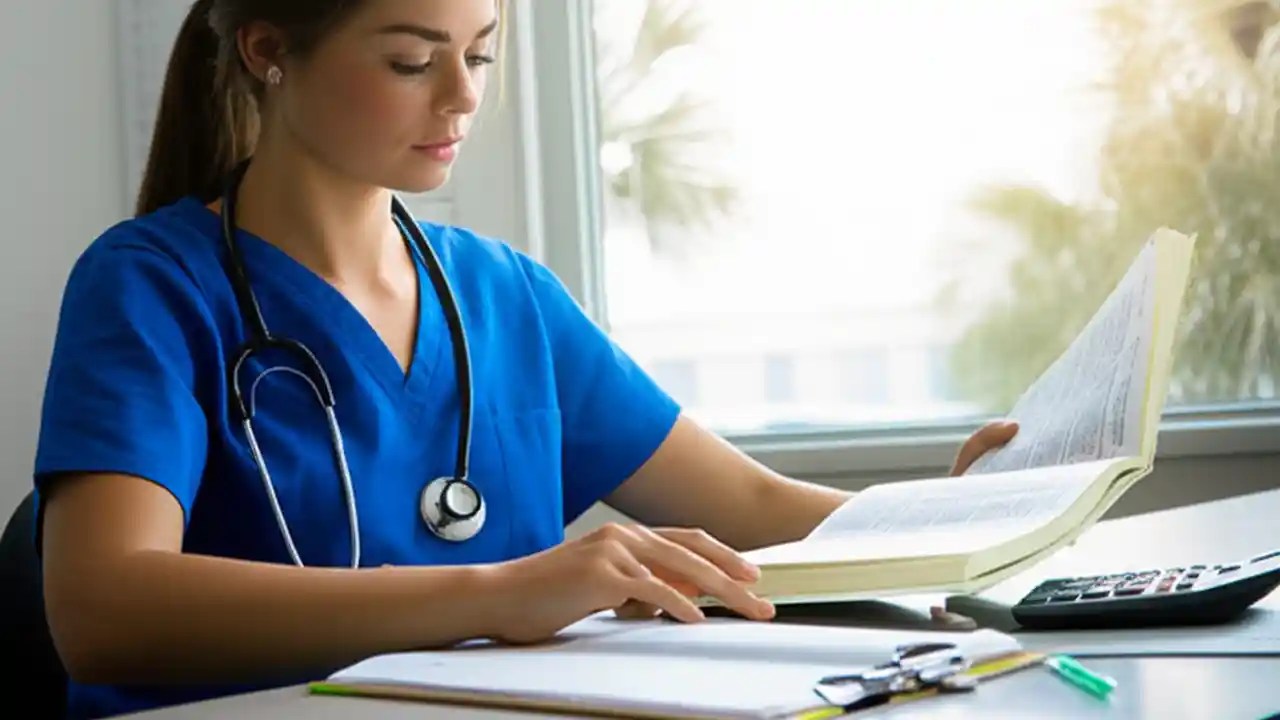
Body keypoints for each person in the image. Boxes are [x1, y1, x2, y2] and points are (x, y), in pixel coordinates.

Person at [31, 0, 1018, 718]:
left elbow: (753, 508)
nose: (462, 96)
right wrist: (501, 592)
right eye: (412, 61)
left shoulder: (505, 297)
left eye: (480, 54)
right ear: (267, 51)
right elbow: (103, 610)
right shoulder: (150, 286)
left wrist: (963, 517)